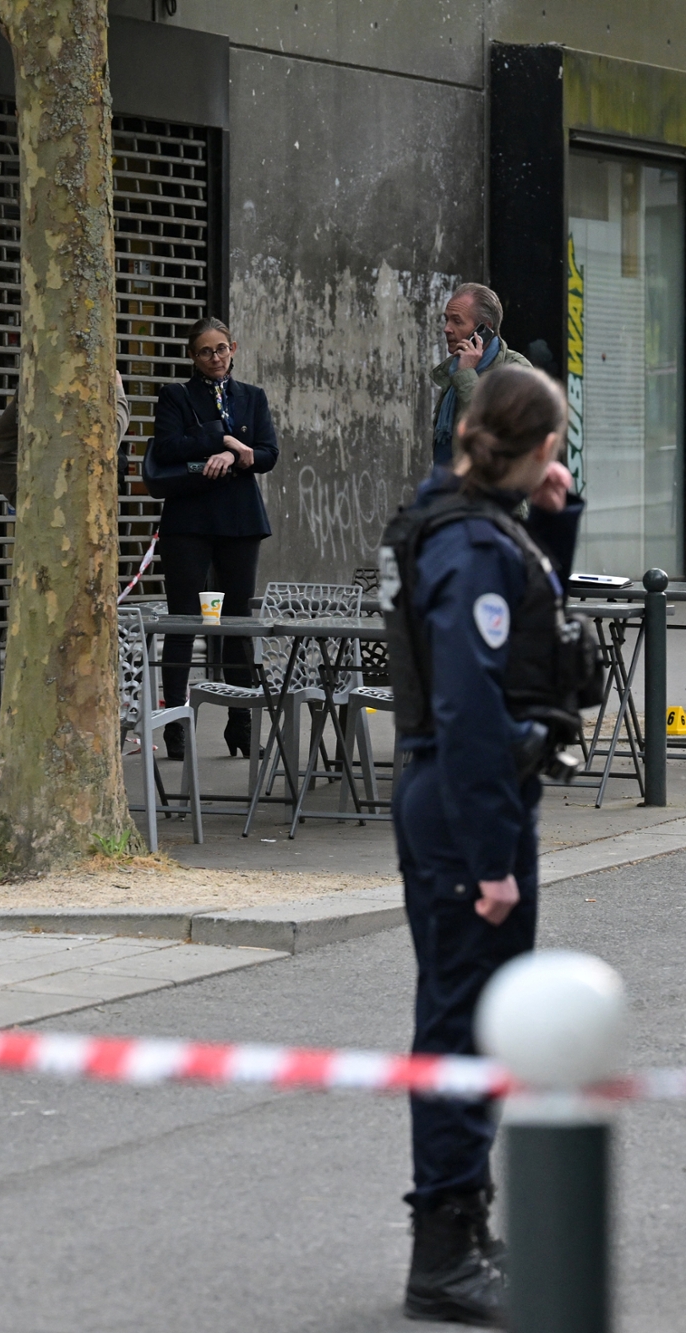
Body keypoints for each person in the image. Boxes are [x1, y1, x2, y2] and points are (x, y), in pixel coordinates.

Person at [380, 364, 592, 1326]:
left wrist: (553, 516)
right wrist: (494, 857)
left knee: (475, 1019)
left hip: (468, 792)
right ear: (540, 444)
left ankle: (464, 1227)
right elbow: (470, 708)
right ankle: (444, 1251)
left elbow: (527, 621)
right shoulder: (466, 542)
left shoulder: (468, 516)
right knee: (463, 1024)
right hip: (467, 798)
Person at [149, 316, 280, 759]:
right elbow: (167, 447)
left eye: (221, 348)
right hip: (188, 519)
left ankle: (240, 721)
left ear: (233, 348)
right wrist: (223, 440)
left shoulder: (252, 396)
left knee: (237, 620)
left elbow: (268, 453)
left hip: (240, 520)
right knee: (184, 620)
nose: (215, 358)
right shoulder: (176, 396)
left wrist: (238, 455)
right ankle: (176, 723)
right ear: (193, 356)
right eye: (205, 351)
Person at [0, 370, 129, 504]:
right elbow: (104, 444)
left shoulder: (33, 501)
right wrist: (118, 391)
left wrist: (25, 395)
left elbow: (0, 448)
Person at [430, 283, 530, 469]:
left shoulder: (515, 370)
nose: (447, 329)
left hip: (488, 483)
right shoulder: (455, 368)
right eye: (447, 320)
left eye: (457, 321)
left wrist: (466, 375)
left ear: (484, 329)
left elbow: (492, 432)